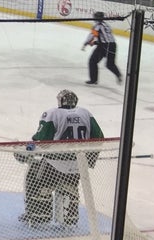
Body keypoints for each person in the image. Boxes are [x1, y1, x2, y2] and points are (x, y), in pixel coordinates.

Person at [17, 90, 104, 226]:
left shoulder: (52, 114)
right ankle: (69, 216)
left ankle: (39, 216)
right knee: (69, 186)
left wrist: (27, 149)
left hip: (54, 163)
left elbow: (42, 140)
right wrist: (89, 160)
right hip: (78, 165)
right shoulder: (86, 113)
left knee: (34, 176)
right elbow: (99, 137)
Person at [82, 11, 121, 85]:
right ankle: (118, 75)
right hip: (112, 45)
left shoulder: (97, 26)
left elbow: (92, 35)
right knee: (110, 64)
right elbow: (104, 36)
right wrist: (95, 42)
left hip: (105, 46)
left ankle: (93, 80)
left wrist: (86, 43)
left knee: (92, 61)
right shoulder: (106, 25)